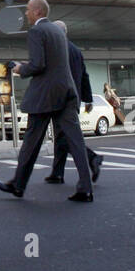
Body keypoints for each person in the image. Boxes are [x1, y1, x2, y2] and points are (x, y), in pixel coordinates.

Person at [0, 0, 94, 202]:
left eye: (29, 10)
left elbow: (38, 64)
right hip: (66, 91)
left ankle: (18, 185)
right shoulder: (58, 31)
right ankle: (85, 187)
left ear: (38, 12)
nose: (26, 14)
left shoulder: (36, 32)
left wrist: (22, 69)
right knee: (75, 141)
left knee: (31, 141)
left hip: (45, 96)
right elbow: (53, 63)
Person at [44, 21, 102, 185]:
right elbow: (84, 75)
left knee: (66, 137)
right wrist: (88, 98)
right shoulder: (76, 50)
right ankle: (57, 172)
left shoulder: (57, 50)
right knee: (62, 136)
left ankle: (93, 158)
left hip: (60, 100)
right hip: (73, 100)